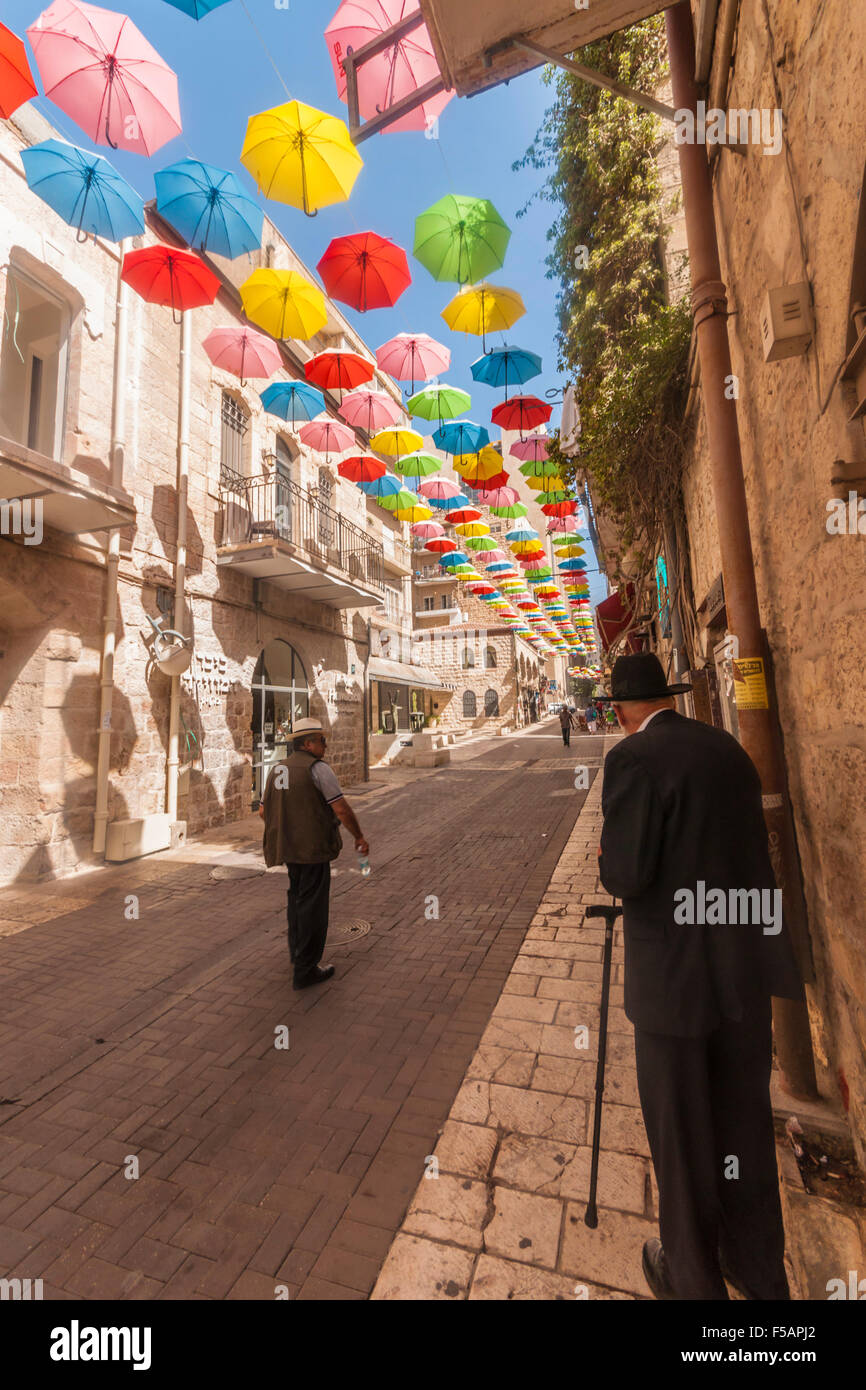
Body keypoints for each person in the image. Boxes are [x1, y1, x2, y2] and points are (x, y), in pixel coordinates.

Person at [597, 653, 803, 1301]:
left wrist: (608, 854)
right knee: (743, 1122)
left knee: (682, 1138)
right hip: (742, 972)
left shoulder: (631, 761)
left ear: (625, 711)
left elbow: (626, 874)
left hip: (673, 988)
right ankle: (758, 1267)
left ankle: (692, 1277)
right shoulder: (728, 750)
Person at [260, 717, 369, 991]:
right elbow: (340, 809)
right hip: (313, 850)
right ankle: (306, 969)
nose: (326, 745)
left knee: (297, 901)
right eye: (321, 740)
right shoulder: (318, 769)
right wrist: (358, 836)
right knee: (313, 907)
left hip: (289, 850)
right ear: (307, 743)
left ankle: (298, 955)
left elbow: (264, 811)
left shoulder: (277, 770)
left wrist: (286, 831)